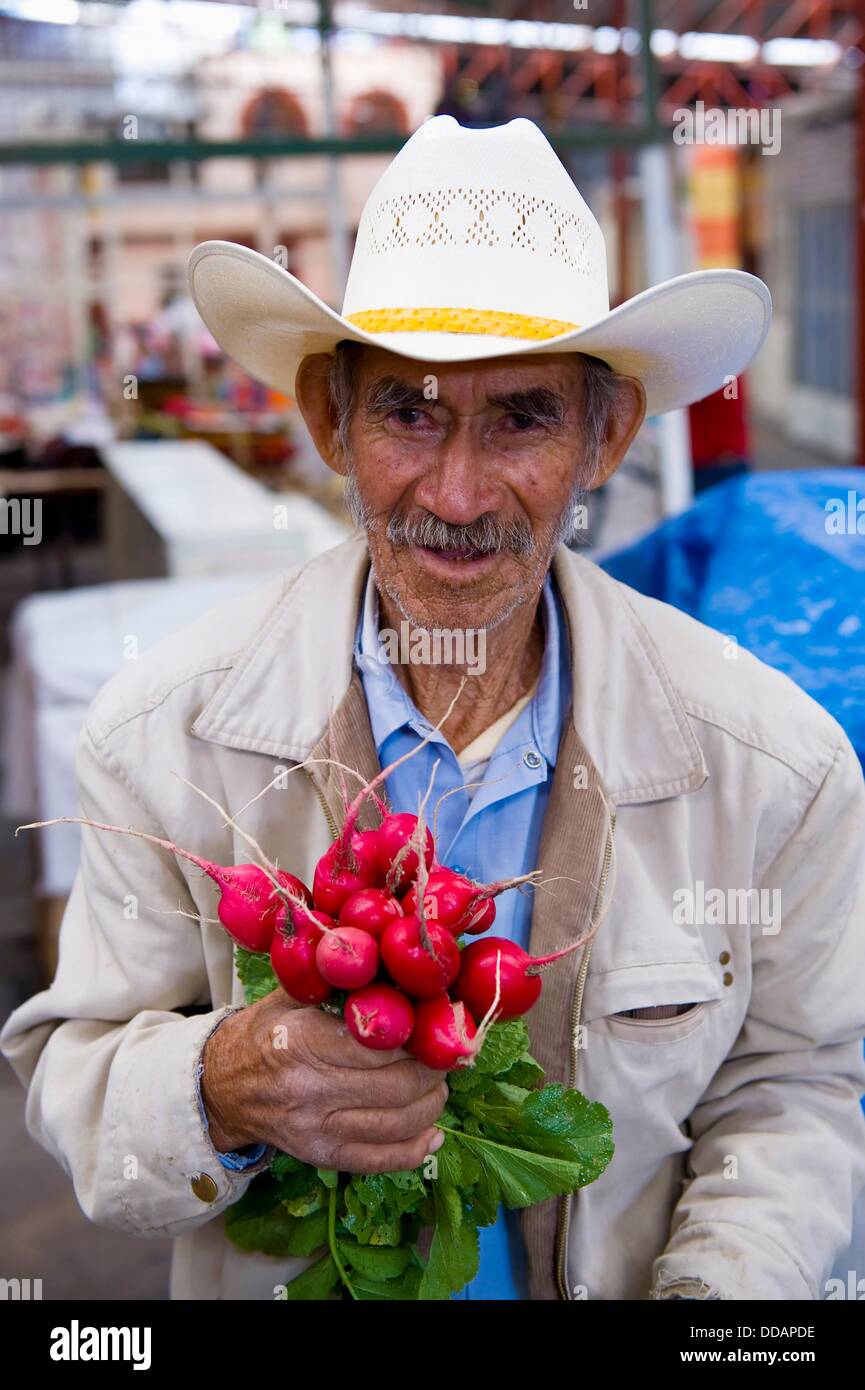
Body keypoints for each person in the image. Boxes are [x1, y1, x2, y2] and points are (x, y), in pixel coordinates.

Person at [3, 117, 864, 1302]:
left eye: (521, 418)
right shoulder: (161, 735)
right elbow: (73, 1071)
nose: (457, 495)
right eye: (408, 413)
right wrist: (217, 1079)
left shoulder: (776, 764)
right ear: (331, 425)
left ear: (604, 435)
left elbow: (797, 1084)